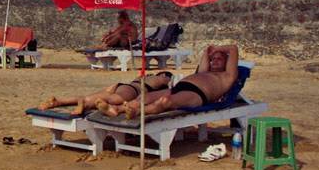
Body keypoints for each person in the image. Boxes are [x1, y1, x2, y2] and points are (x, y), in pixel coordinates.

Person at [96, 44, 240, 119]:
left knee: (165, 102)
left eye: (219, 59)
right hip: (179, 87)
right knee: (145, 97)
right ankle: (116, 109)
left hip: (197, 94)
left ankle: (137, 112)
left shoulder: (227, 76)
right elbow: (206, 52)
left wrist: (218, 48)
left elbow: (233, 49)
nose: (214, 61)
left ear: (226, 62)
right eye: (213, 58)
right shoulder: (204, 71)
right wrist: (210, 51)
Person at [37, 71, 174, 115]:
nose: (167, 79)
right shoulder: (160, 80)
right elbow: (167, 91)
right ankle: (84, 104)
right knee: (112, 99)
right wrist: (168, 83)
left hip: (121, 85)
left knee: (91, 97)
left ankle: (59, 101)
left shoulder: (145, 76)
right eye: (167, 77)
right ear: (163, 75)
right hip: (132, 90)